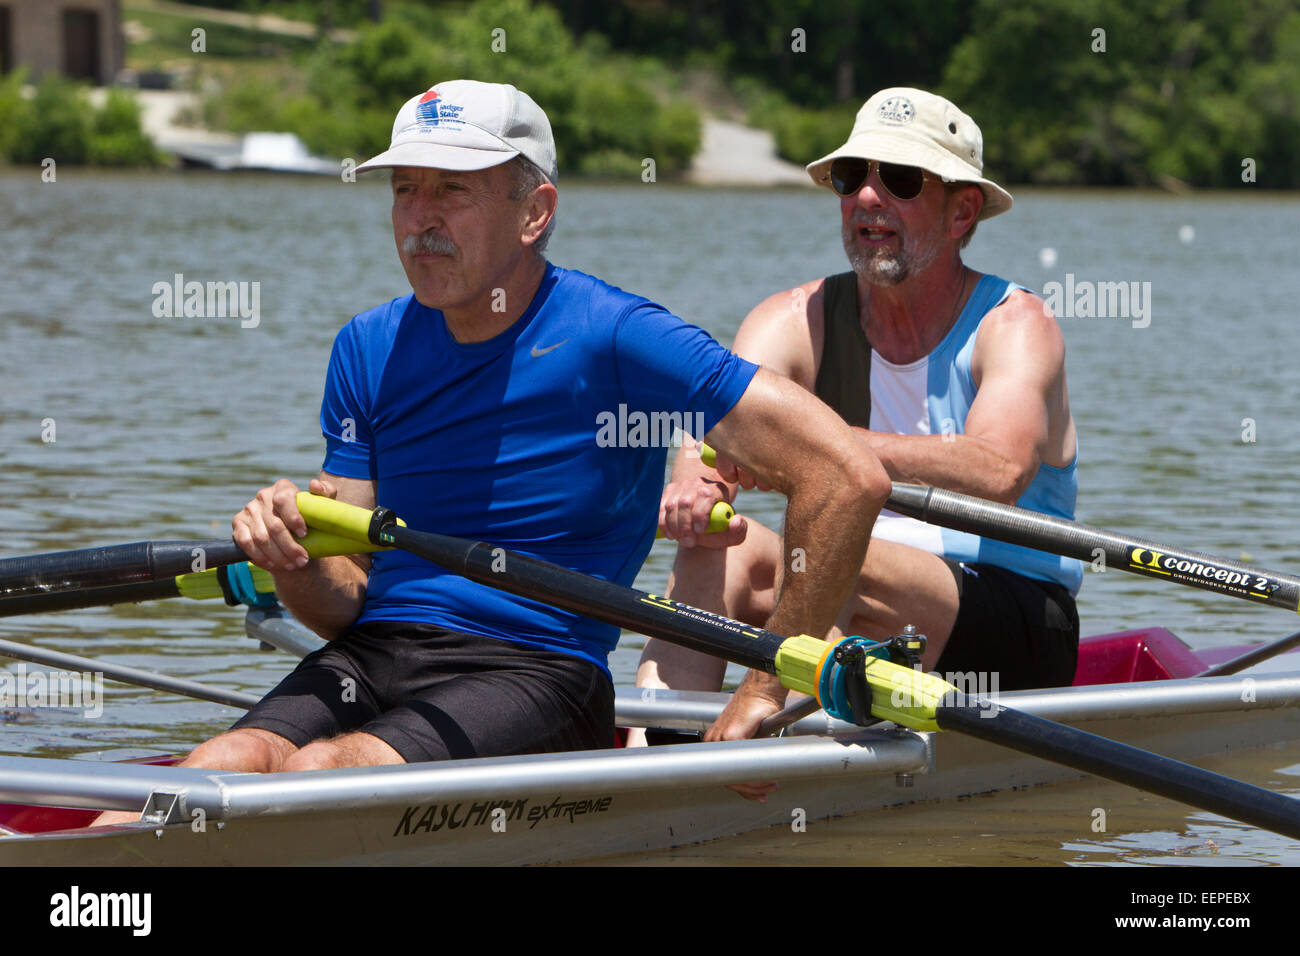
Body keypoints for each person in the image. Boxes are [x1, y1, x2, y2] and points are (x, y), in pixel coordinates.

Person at [93, 80, 890, 824]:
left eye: (452, 190)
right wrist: (292, 556)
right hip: (378, 650)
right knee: (216, 767)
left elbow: (846, 475)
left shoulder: (618, 337)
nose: (419, 218)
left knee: (315, 777)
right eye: (405, 188)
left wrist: (766, 683)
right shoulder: (366, 349)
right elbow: (343, 604)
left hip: (539, 668)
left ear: (533, 211)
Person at [635, 88, 1083, 756]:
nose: (868, 199)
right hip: (846, 604)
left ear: (962, 211)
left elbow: (1000, 468)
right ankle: (657, 751)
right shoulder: (792, 319)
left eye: (899, 181)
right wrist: (698, 486)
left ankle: (777, 730)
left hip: (1015, 620)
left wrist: (821, 452)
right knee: (712, 546)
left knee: (824, 532)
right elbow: (711, 426)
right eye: (853, 178)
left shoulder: (1016, 326)